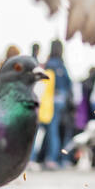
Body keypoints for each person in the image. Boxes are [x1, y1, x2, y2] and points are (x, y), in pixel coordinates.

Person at [35, 40, 74, 168]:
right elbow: (69, 85)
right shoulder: (63, 65)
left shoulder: (50, 64)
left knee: (47, 131)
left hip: (50, 101)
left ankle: (48, 158)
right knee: (55, 130)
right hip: (62, 101)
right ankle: (55, 158)